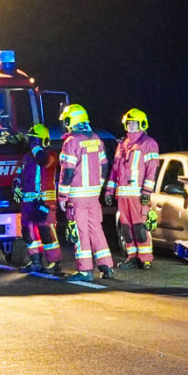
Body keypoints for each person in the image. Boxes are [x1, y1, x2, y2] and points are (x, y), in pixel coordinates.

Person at [56, 104, 115, 280]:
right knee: (96, 230)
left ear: (72, 120)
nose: (65, 124)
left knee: (80, 232)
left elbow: (67, 171)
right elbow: (104, 166)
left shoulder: (71, 142)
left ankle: (85, 271)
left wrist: (62, 195)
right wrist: (99, 186)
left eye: (66, 120)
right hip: (93, 196)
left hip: (77, 196)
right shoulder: (97, 139)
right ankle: (106, 267)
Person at [107, 108, 160, 270]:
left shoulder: (149, 144)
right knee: (126, 229)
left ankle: (146, 259)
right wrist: (109, 191)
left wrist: (146, 192)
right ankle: (132, 258)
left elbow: (152, 170)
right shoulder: (122, 144)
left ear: (142, 124)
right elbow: (114, 170)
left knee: (139, 227)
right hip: (122, 195)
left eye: (134, 124)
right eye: (128, 123)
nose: (130, 126)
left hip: (138, 195)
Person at [13, 123, 61, 275]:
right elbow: (19, 173)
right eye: (31, 139)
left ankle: (54, 262)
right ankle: (35, 261)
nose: (32, 142)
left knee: (46, 231)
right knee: (27, 231)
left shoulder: (50, 155)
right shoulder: (27, 157)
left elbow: (43, 161)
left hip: (44, 201)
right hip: (28, 201)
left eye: (35, 139)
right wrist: (16, 184)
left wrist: (36, 148)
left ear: (43, 140)